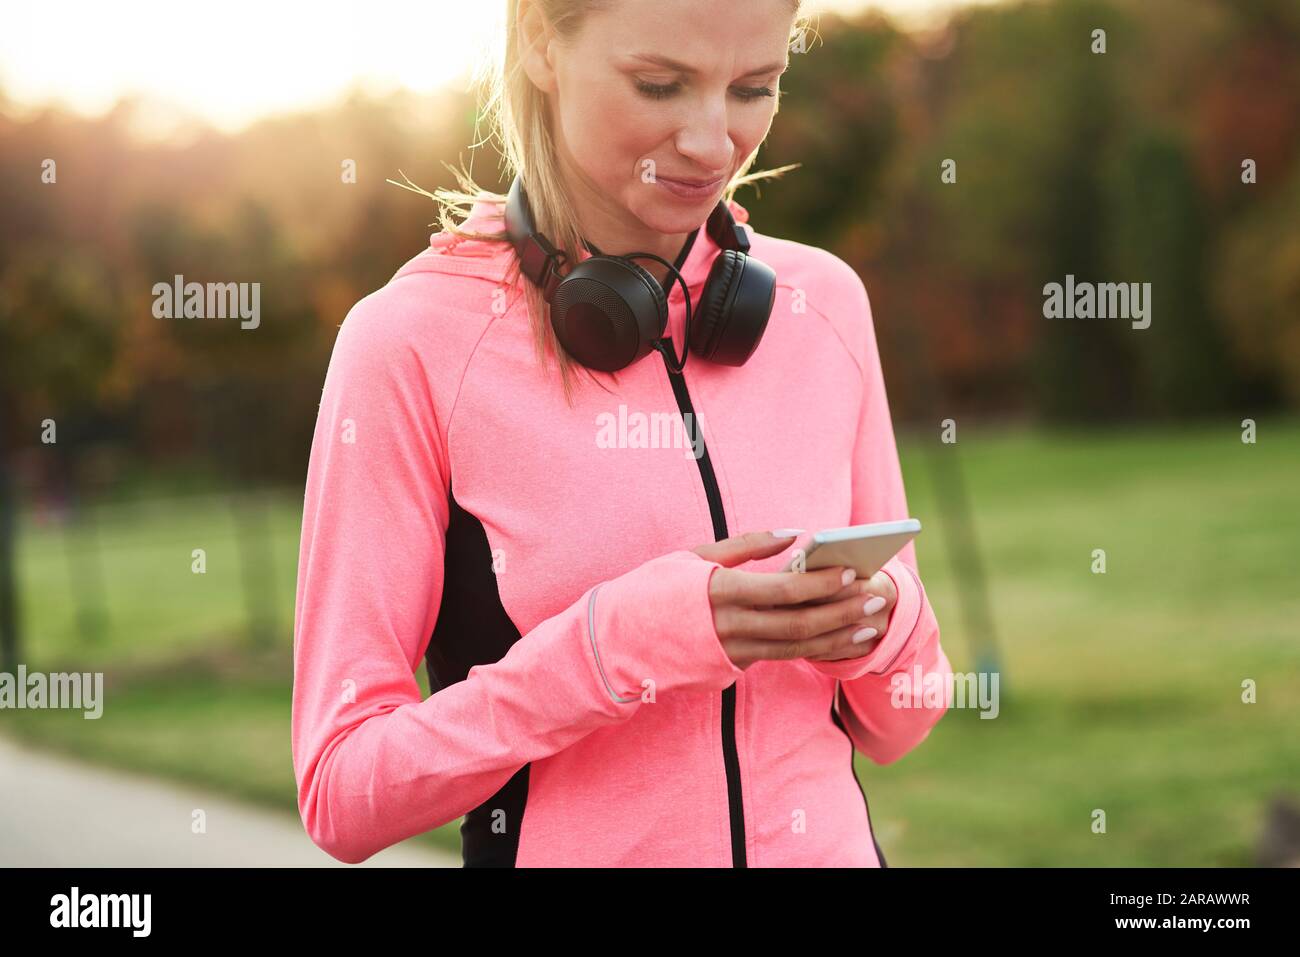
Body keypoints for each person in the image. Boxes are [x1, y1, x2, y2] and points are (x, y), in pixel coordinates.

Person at [291, 0, 950, 868]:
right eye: (659, 85)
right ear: (540, 43)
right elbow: (343, 792)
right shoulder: (407, 344)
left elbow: (903, 718)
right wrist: (620, 644)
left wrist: (886, 618)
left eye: (754, 87)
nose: (714, 143)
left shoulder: (823, 303)